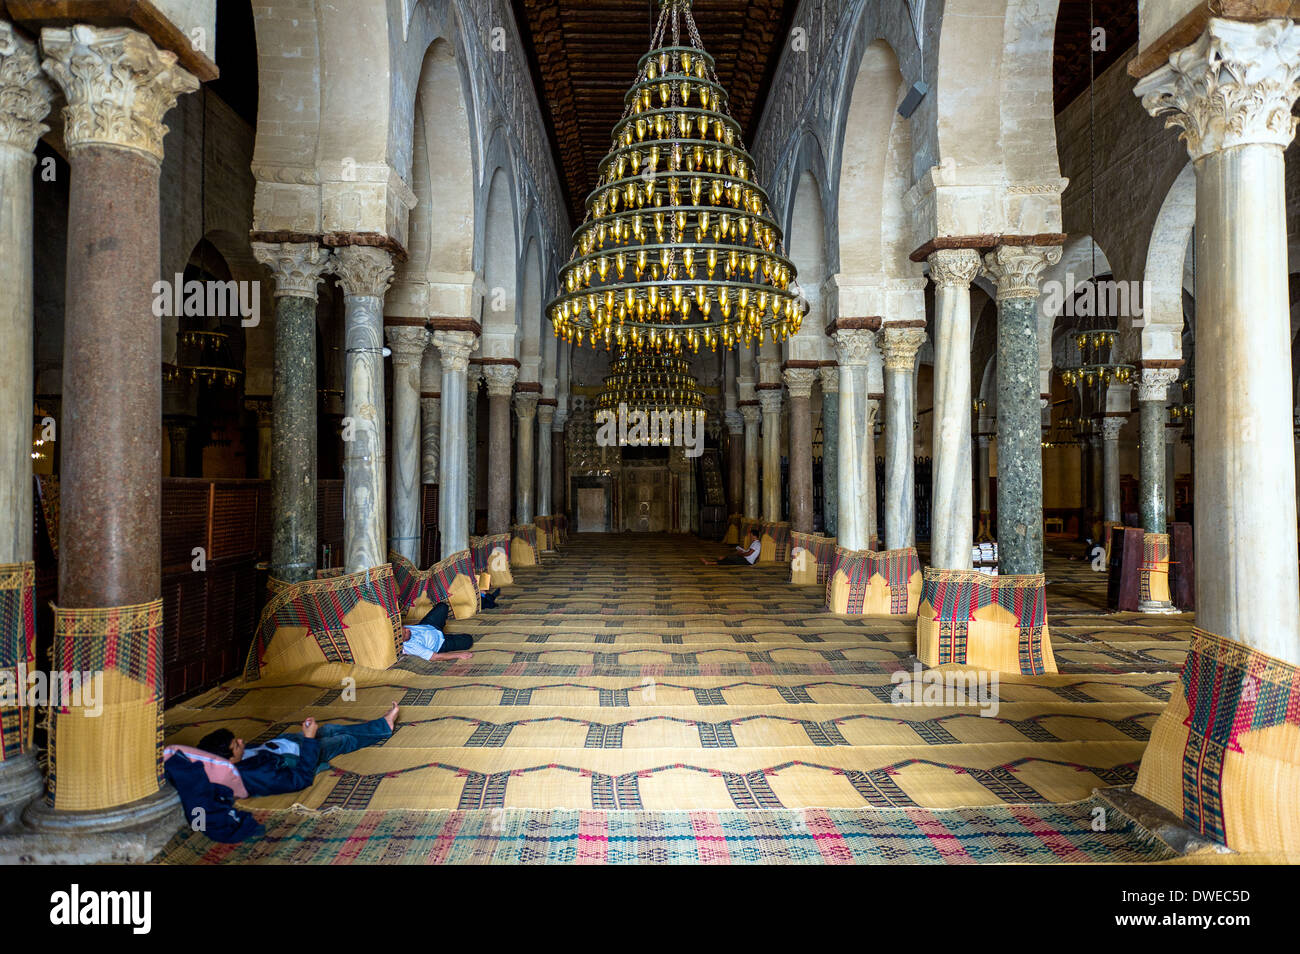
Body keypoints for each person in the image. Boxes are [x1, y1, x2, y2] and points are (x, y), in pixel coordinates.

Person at [196, 703, 400, 796]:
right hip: (302, 755)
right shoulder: (257, 776)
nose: (241, 741)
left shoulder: (223, 763)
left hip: (288, 743)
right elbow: (301, 779)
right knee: (342, 740)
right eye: (236, 745)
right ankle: (384, 727)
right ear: (228, 760)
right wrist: (310, 740)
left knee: (328, 729)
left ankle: (380, 724)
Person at [402, 603, 475, 661]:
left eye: (404, 628)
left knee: (442, 606)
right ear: (402, 640)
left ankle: (441, 626)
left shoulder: (397, 631)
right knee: (468, 641)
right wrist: (459, 655)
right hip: (440, 643)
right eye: (405, 633)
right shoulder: (412, 647)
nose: (408, 629)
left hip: (428, 625)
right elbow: (435, 657)